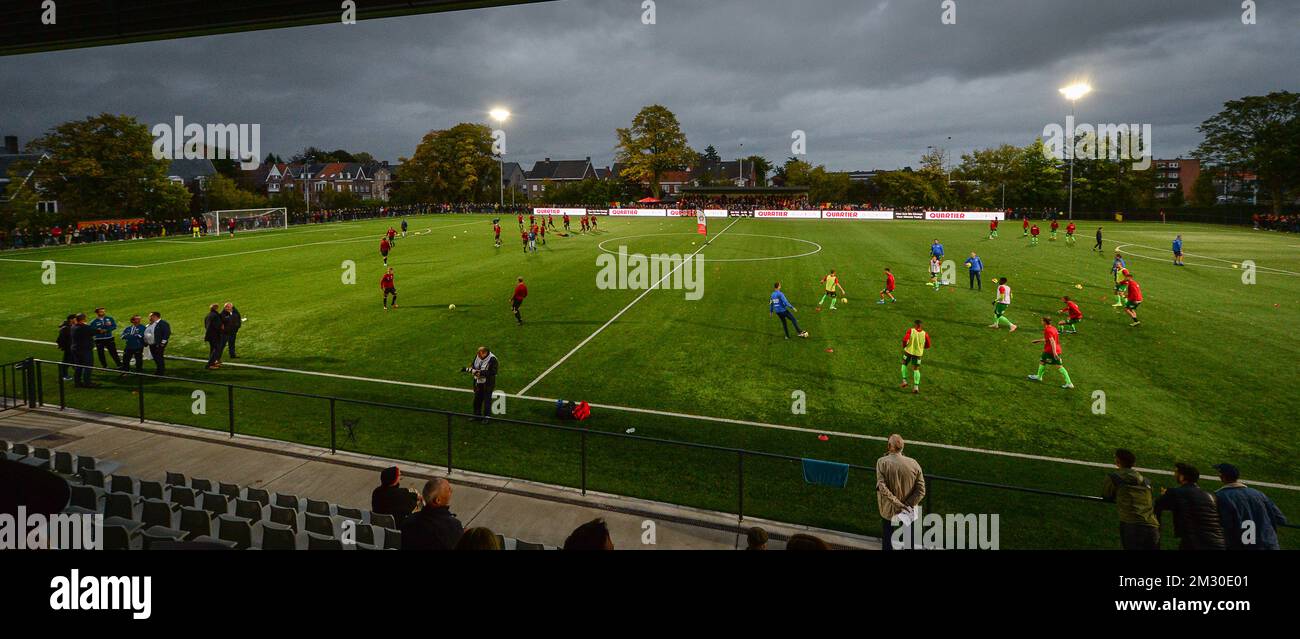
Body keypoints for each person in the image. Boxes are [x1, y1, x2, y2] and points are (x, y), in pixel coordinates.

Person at [1213, 463, 1287, 550]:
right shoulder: (1258, 494)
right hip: (1269, 544)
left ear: (1222, 477)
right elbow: (1281, 519)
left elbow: (1226, 525)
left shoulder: (1220, 496)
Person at [1153, 463, 1226, 550]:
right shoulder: (1210, 496)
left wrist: (1165, 494)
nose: (1174, 475)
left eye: (1176, 473)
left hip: (1194, 543)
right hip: (1218, 543)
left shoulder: (1175, 493)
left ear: (1182, 477)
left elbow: (1158, 507)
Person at [1101, 448, 1160, 550]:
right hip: (1152, 526)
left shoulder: (1114, 477)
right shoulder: (1146, 481)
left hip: (1132, 525)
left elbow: (1106, 496)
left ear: (1117, 461)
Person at [876, 434, 926, 551]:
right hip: (909, 510)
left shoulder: (882, 462)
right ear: (902, 447)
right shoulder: (914, 463)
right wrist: (907, 505)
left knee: (888, 539)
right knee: (909, 542)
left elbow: (882, 488)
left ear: (889, 446)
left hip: (889, 509)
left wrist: (899, 504)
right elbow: (921, 491)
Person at [399, 478, 464, 550]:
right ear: (438, 500)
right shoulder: (453, 526)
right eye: (448, 489)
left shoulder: (408, 521)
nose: (451, 491)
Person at [1028, 315, 1074, 389]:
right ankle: (1039, 376)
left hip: (1050, 351)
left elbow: (1052, 341)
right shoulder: (1053, 328)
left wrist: (1054, 353)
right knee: (1042, 361)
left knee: (1059, 366)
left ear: (1044, 322)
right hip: (1055, 349)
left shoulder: (1047, 330)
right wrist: (1038, 340)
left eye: (1042, 320)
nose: (1041, 322)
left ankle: (1069, 383)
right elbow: (1050, 339)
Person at [898, 319, 932, 394]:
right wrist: (921, 348)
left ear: (915, 325)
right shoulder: (925, 334)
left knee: (904, 364)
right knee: (916, 369)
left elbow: (904, 340)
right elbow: (928, 345)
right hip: (918, 354)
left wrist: (904, 346)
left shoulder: (911, 331)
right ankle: (916, 387)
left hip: (909, 351)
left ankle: (904, 381)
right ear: (921, 325)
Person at [467, 346, 498, 422]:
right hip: (478, 382)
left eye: (480, 354)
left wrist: (481, 373)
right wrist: (473, 370)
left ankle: (487, 418)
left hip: (487, 383)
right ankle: (476, 415)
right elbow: (474, 364)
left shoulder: (493, 359)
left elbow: (493, 372)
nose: (478, 355)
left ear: (485, 353)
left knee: (487, 400)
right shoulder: (478, 355)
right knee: (477, 399)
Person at [70, 313, 96, 388]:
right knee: (88, 366)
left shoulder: (73, 326)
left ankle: (77, 382)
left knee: (78, 366)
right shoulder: (85, 327)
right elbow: (94, 332)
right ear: (83, 319)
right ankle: (87, 383)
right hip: (85, 350)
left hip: (75, 349)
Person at [56, 314, 76, 381]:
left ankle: (76, 369)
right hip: (68, 348)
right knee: (66, 362)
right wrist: (64, 346)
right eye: (75, 319)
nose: (76, 320)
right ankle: (63, 376)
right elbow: (61, 339)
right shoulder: (65, 328)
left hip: (72, 347)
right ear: (71, 319)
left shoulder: (71, 326)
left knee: (74, 360)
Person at [204, 304, 224, 369]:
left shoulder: (208, 315)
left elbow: (206, 325)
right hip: (215, 335)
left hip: (209, 335)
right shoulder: (215, 315)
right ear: (216, 308)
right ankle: (209, 365)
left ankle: (213, 363)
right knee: (216, 350)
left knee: (212, 350)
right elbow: (218, 326)